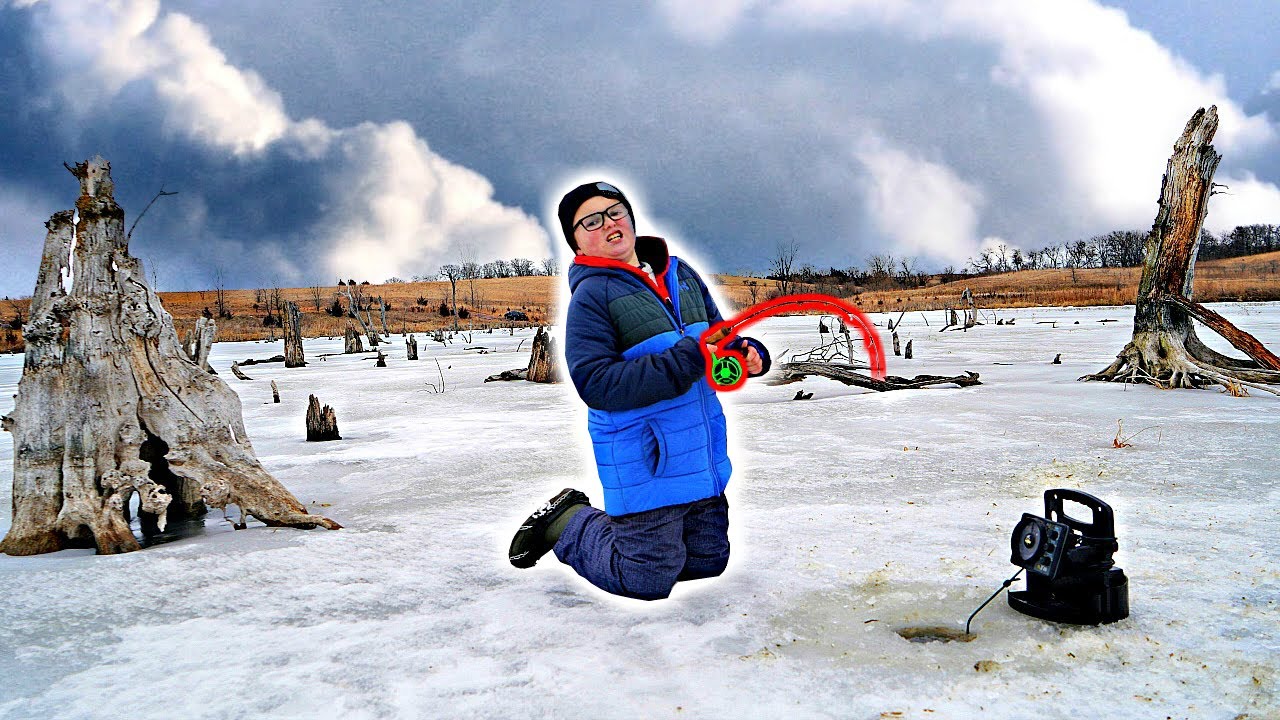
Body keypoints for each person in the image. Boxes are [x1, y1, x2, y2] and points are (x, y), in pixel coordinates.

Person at [508, 181, 770, 600]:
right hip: (644, 455)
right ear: (576, 242)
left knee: (707, 563)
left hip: (699, 450)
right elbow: (596, 384)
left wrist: (748, 355)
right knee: (644, 580)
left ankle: (647, 539)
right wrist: (688, 359)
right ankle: (568, 520)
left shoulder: (680, 272)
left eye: (616, 212)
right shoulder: (593, 296)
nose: (608, 223)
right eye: (591, 221)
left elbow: (720, 335)